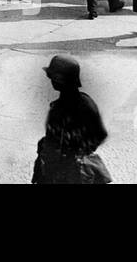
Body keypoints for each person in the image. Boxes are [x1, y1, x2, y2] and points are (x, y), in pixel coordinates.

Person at [32, 55, 111, 184]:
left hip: (66, 171)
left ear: (59, 80)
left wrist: (73, 154)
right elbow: (100, 134)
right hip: (74, 168)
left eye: (53, 78)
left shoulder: (59, 109)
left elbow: (54, 146)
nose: (51, 81)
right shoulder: (87, 102)